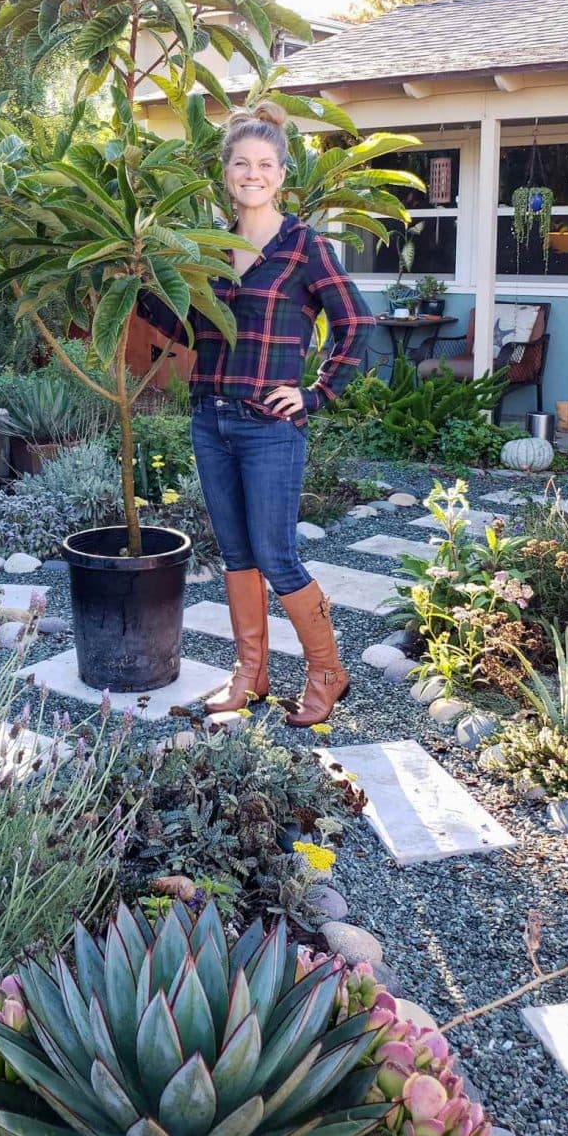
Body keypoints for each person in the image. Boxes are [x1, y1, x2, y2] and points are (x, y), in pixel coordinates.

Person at [140, 100, 373, 726]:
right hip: (209, 418)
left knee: (277, 557)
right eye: (241, 163)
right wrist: (143, 274)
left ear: (281, 174)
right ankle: (251, 673)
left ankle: (327, 671)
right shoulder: (208, 248)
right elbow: (186, 326)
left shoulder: (305, 248)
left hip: (271, 427)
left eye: (264, 163)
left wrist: (317, 392)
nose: (252, 173)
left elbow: (356, 327)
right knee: (237, 555)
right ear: (226, 174)